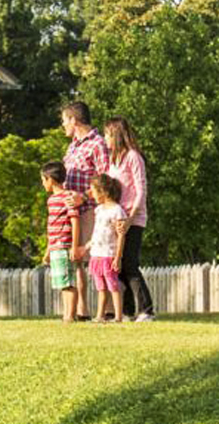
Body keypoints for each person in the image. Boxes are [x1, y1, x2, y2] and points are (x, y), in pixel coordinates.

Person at [59, 101, 109, 319]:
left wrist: (84, 197)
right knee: (76, 260)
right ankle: (82, 311)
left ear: (73, 120)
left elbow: (106, 180)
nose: (63, 126)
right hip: (72, 214)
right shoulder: (72, 146)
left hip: (90, 209)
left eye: (64, 121)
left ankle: (108, 311)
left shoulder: (97, 144)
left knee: (98, 259)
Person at [103, 117, 155, 322]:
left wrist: (131, 217)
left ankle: (146, 310)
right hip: (117, 219)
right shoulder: (113, 160)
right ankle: (126, 311)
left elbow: (141, 190)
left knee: (129, 264)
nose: (105, 138)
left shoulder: (134, 157)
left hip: (133, 219)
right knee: (119, 266)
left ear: (116, 135)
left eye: (107, 134)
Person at [39, 162, 82, 323]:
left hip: (65, 246)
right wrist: (47, 251)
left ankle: (70, 316)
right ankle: (66, 315)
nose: (43, 184)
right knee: (61, 283)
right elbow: (51, 228)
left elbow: (74, 221)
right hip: (55, 246)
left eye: (43, 180)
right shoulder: (51, 200)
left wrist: (74, 246)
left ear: (50, 179)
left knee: (68, 283)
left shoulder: (68, 197)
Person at [86, 174, 128, 323]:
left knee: (113, 286)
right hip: (96, 255)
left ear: (103, 191)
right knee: (101, 288)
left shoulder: (117, 211)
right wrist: (87, 246)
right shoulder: (99, 210)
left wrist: (118, 257)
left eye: (93, 191)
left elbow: (121, 235)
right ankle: (100, 315)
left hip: (108, 255)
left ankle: (118, 316)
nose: (91, 194)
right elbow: (97, 233)